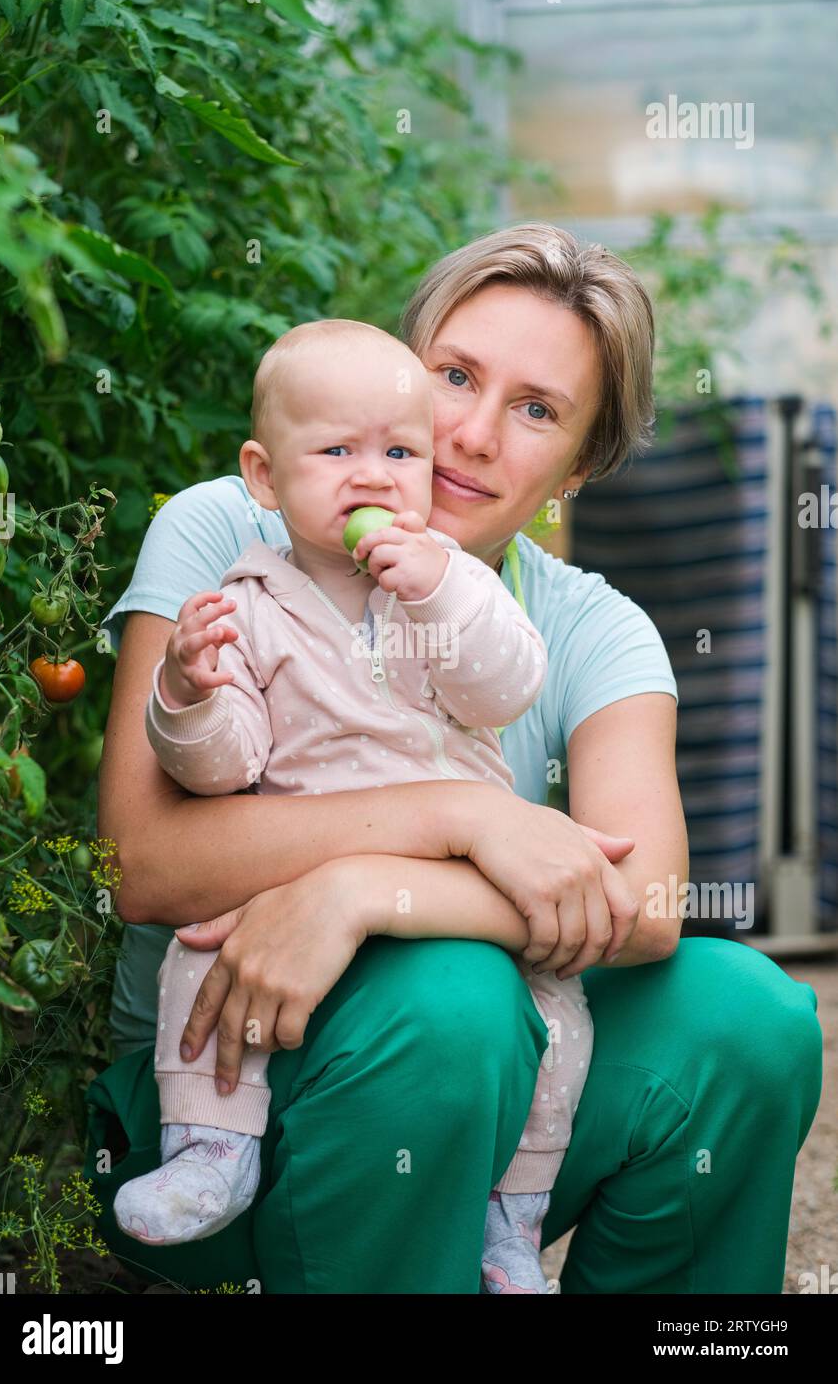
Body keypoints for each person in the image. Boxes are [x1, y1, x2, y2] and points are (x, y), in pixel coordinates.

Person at [86, 223, 822, 1294]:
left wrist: (358, 891)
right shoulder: (230, 528)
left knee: (747, 1018)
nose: (473, 434)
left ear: (579, 462)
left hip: (484, 1114)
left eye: (536, 410)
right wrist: (463, 818)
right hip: (216, 1094)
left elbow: (647, 898)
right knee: (451, 996)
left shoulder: (588, 630)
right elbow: (141, 863)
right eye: (453, 376)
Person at [111, 319, 588, 1294]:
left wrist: (442, 596)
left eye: (398, 454)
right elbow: (221, 765)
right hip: (285, 892)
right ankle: (212, 1151)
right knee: (204, 967)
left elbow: (506, 686)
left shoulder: (451, 587)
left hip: (440, 904)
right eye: (336, 452)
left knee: (554, 1020)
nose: (372, 477)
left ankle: (509, 1218)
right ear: (263, 475)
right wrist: (188, 695)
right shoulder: (245, 602)